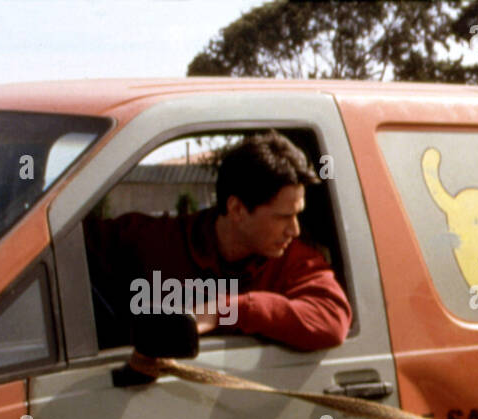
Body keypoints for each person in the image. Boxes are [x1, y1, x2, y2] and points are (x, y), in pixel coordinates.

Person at [87, 130, 351, 351]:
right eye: (283, 217)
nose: (294, 230)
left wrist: (225, 310)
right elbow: (59, 238)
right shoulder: (154, 239)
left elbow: (332, 320)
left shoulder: (296, 261)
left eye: (297, 215)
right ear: (237, 209)